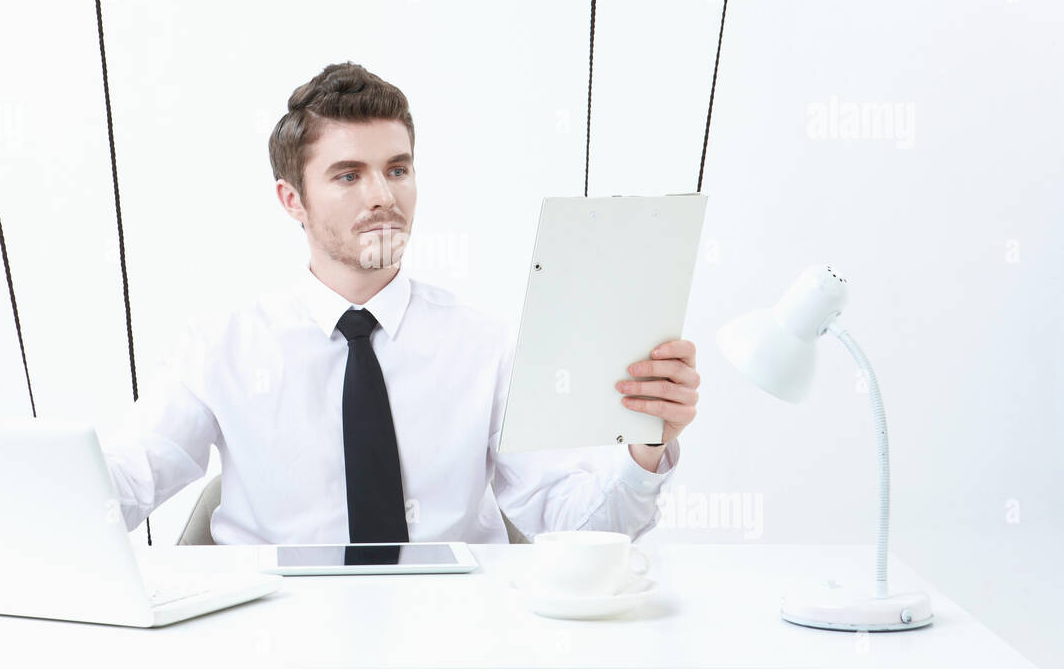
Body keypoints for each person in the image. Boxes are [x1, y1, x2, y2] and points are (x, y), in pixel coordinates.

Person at [99, 61, 700, 544]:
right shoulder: (222, 347)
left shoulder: (483, 347)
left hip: (455, 642)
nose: (383, 195)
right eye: (348, 175)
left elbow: (580, 527)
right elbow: (124, 486)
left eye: (398, 168)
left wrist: (646, 445)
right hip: (277, 642)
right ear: (291, 200)